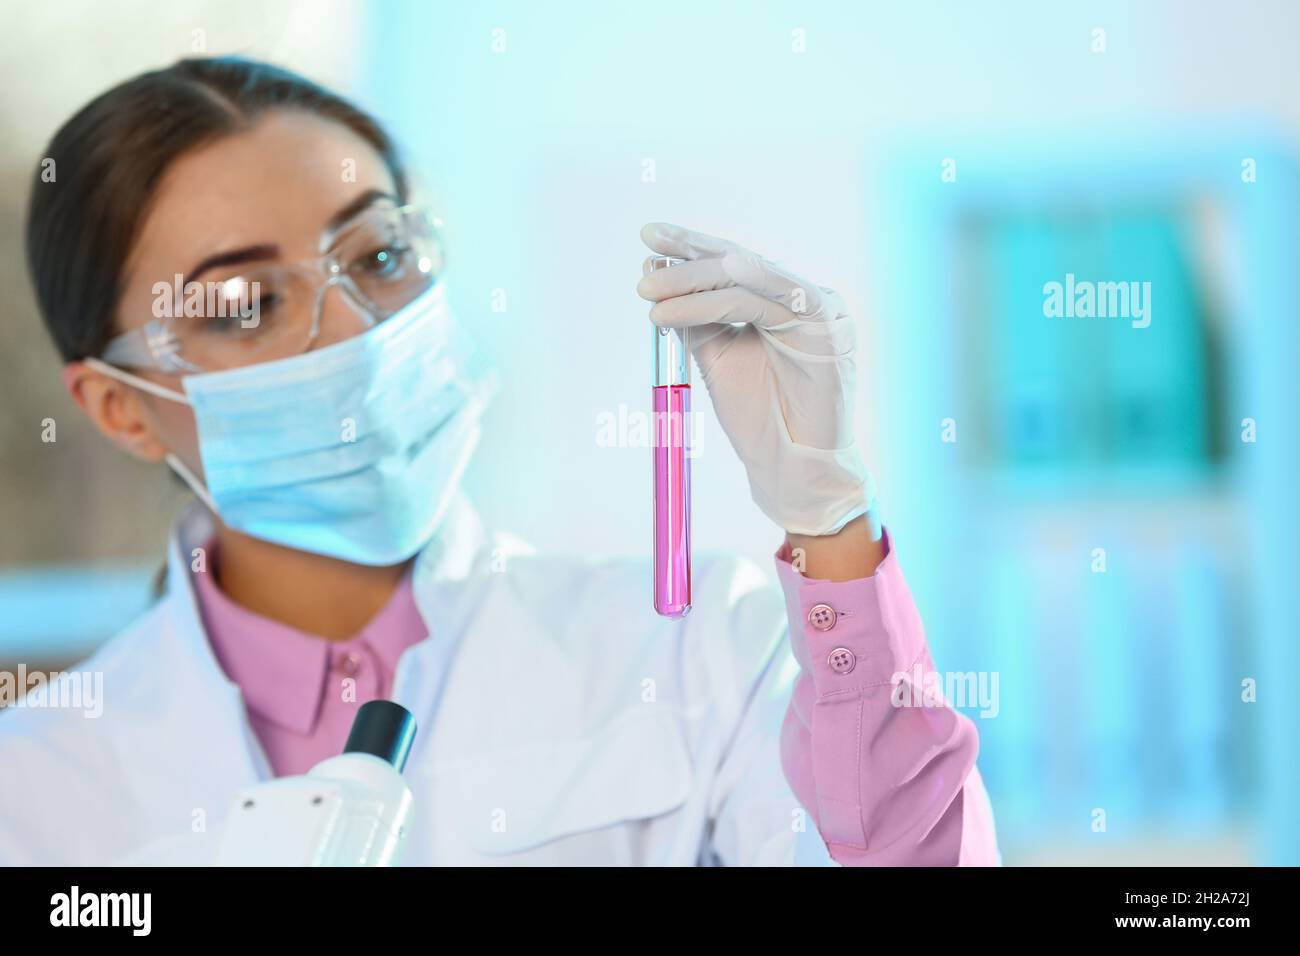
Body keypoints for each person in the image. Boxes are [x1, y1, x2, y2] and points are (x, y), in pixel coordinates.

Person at [0, 56, 998, 865]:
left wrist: (829, 524)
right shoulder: (38, 786)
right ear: (120, 407)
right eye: (244, 307)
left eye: (377, 258)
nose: (351, 331)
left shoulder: (698, 655)